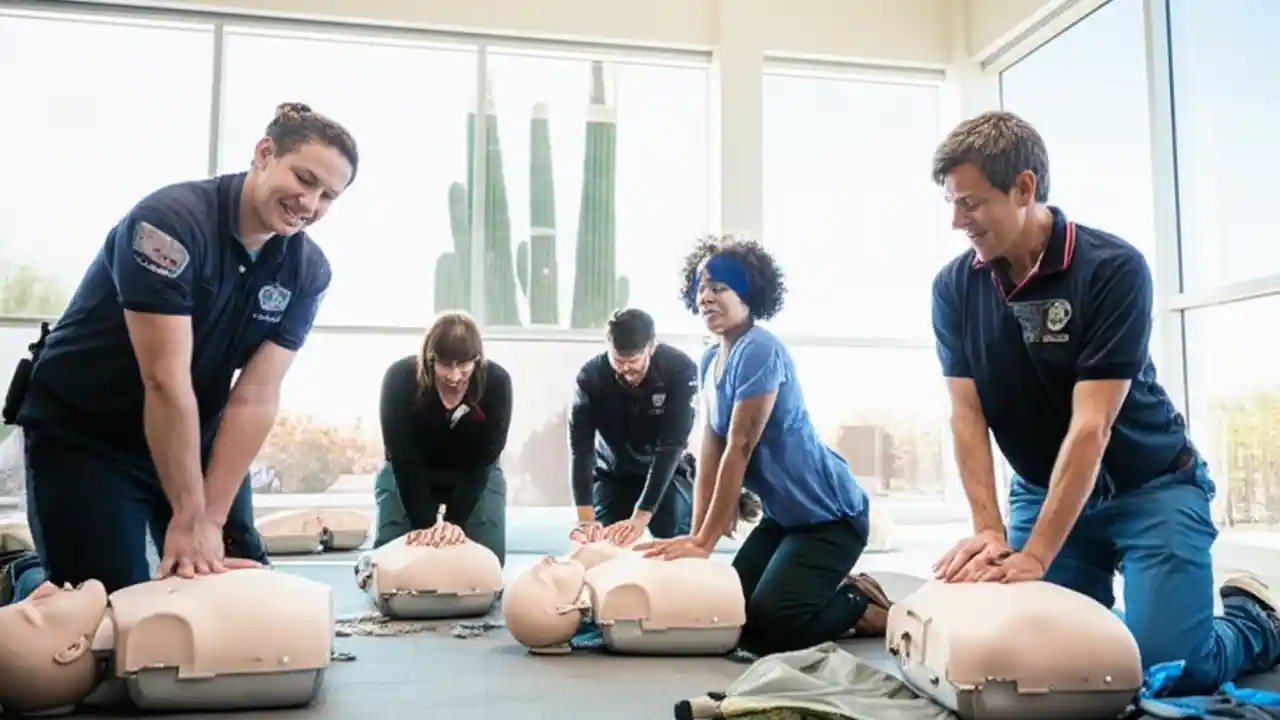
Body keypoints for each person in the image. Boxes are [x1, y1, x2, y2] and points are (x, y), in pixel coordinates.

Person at [928, 110, 1280, 694]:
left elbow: (1093, 425)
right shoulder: (953, 287)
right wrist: (991, 533)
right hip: (1043, 488)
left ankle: (1251, 621)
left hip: (1151, 486)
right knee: (1043, 659)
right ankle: (1127, 625)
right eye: (951, 203)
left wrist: (1036, 556)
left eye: (970, 204)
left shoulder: (1113, 268)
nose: (956, 221)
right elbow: (967, 416)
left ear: (1023, 188)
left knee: (1169, 671)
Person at [5, 102, 358, 595]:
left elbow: (256, 395)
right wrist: (189, 519)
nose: (309, 202)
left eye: (328, 196)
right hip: (88, 436)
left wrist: (209, 520)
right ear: (264, 154)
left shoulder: (306, 270)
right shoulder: (166, 226)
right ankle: (26, 578)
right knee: (107, 617)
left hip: (194, 431)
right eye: (304, 178)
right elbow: (164, 379)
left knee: (241, 599)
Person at [637, 236, 891, 657]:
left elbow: (740, 447)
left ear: (749, 293)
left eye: (719, 287)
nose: (706, 298)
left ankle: (858, 601)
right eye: (701, 288)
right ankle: (818, 589)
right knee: (735, 615)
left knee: (769, 632)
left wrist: (704, 543)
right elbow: (711, 450)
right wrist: (697, 537)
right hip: (783, 519)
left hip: (831, 519)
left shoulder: (760, 349)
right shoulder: (710, 360)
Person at [374, 311, 512, 565]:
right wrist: (426, 526)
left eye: (464, 365)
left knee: (486, 566)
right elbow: (403, 459)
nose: (455, 375)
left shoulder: (497, 383)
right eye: (445, 364)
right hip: (411, 471)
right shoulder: (400, 380)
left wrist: (454, 524)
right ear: (429, 359)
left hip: (472, 472)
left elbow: (482, 461)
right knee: (387, 563)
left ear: (477, 359)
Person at [568, 308, 698, 547]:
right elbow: (581, 449)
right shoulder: (590, 377)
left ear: (651, 347)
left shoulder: (679, 370)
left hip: (666, 472)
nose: (626, 369)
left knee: (673, 527)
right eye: (618, 361)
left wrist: (641, 517)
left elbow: (671, 445)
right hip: (613, 474)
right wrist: (585, 519)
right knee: (599, 544)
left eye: (633, 361)